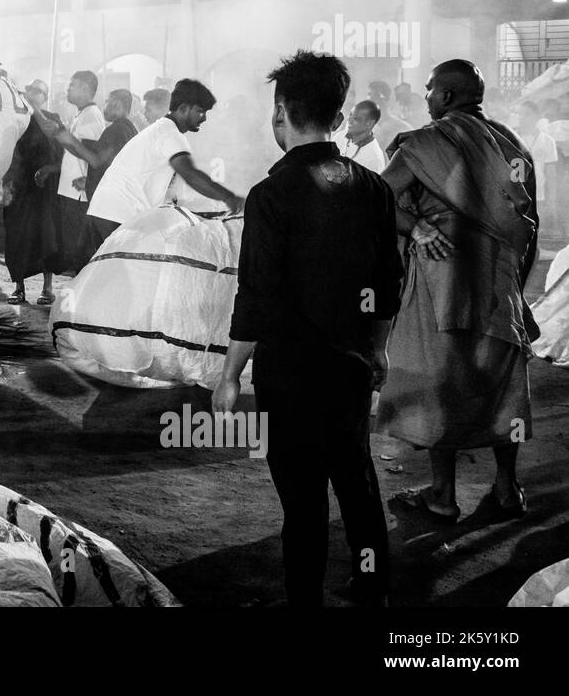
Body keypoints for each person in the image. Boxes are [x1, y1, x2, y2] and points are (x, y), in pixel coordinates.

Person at [214, 50, 402, 607]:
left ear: (280, 114)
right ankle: (373, 590)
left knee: (302, 500)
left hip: (290, 373)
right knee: (357, 478)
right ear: (338, 119)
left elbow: (257, 295)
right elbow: (388, 283)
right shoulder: (373, 188)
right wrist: (379, 349)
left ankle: (305, 600)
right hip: (351, 366)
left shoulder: (271, 196)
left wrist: (229, 375)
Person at [377, 60, 537, 523]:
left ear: (446, 97)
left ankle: (443, 495)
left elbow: (378, 198)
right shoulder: (513, 145)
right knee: (502, 384)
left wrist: (417, 226)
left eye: (430, 90)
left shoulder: (427, 142)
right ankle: (508, 489)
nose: (426, 98)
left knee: (440, 383)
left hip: (441, 282)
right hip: (498, 284)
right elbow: (528, 222)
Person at [86, 79, 245, 239]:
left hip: (107, 209)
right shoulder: (170, 134)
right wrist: (229, 198)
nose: (204, 118)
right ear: (183, 108)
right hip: (117, 212)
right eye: (200, 111)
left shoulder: (162, 129)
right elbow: (190, 174)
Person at [39, 88, 138, 255]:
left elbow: (96, 160)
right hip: (116, 201)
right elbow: (102, 160)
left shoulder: (117, 130)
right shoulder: (127, 129)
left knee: (100, 254)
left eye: (108, 102)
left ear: (118, 105)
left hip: (110, 206)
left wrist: (69, 138)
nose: (105, 106)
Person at [1, 79, 64, 305]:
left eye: (39, 91)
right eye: (31, 89)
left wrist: (50, 169)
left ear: (45, 97)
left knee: (45, 236)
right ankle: (19, 288)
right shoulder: (15, 119)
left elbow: (61, 156)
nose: (33, 93)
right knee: (17, 237)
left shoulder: (52, 120)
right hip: (18, 187)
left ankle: (47, 288)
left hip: (44, 189)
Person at [42, 71, 105, 275]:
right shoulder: (82, 114)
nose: (67, 90)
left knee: (79, 251)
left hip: (79, 194)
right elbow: (74, 152)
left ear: (85, 88)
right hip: (70, 191)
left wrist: (87, 179)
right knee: (71, 248)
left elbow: (91, 156)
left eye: (72, 85)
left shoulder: (92, 116)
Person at [342, 100, 388, 174]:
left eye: (356, 118)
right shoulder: (339, 136)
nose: (349, 120)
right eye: (350, 115)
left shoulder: (374, 159)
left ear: (369, 124)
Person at [367, 81, 410, 150]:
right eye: (369, 95)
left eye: (376, 96)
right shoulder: (369, 127)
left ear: (385, 99)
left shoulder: (400, 126)